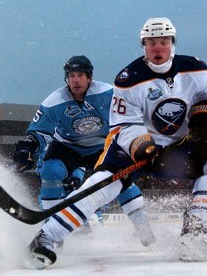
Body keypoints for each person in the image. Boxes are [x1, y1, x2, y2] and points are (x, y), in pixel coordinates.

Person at [27, 17, 207, 269]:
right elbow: (124, 125)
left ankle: (198, 226)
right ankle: (49, 236)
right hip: (138, 145)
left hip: (181, 145)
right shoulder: (128, 78)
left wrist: (202, 119)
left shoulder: (197, 68)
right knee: (100, 186)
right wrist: (143, 147)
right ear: (143, 45)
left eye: (163, 42)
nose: (158, 48)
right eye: (151, 42)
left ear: (172, 43)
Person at [13, 56, 154, 253]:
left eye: (80, 75)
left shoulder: (107, 94)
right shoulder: (54, 101)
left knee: (121, 178)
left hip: (102, 145)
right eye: (71, 76)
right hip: (68, 146)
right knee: (50, 171)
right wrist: (28, 145)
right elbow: (40, 130)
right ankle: (51, 232)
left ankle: (143, 227)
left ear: (89, 78)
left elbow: (129, 118)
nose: (75, 80)